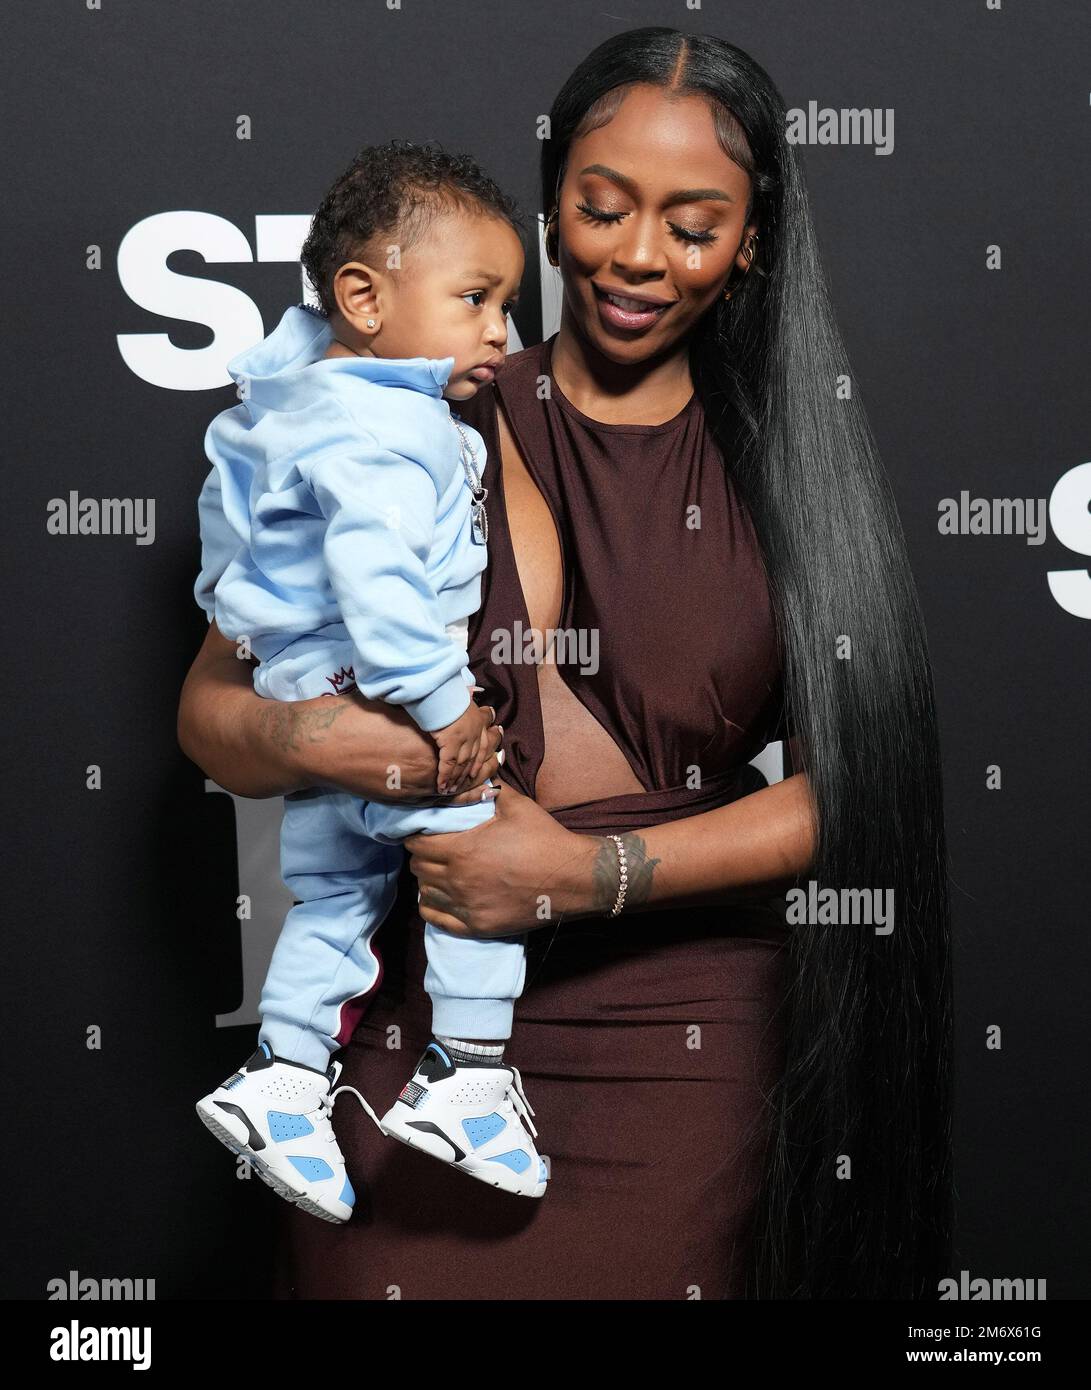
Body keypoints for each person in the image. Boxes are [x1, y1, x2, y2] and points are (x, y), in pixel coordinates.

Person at [178, 27, 953, 1299]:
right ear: (548, 208)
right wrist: (316, 739)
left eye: (694, 224)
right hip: (420, 1009)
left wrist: (587, 873)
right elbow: (212, 706)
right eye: (601, 207)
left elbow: (855, 795)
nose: (638, 254)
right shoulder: (411, 405)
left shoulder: (791, 470)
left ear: (752, 239)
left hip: (681, 1029)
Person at [192, 142, 560, 1220]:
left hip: (311, 683)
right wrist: (445, 713)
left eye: (508, 303)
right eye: (474, 298)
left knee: (337, 895)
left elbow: (231, 571)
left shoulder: (290, 404)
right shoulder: (388, 426)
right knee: (477, 856)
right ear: (362, 295)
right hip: (388, 694)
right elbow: (379, 579)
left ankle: (285, 1076)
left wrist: (288, 658)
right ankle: (471, 1077)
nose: (500, 329)